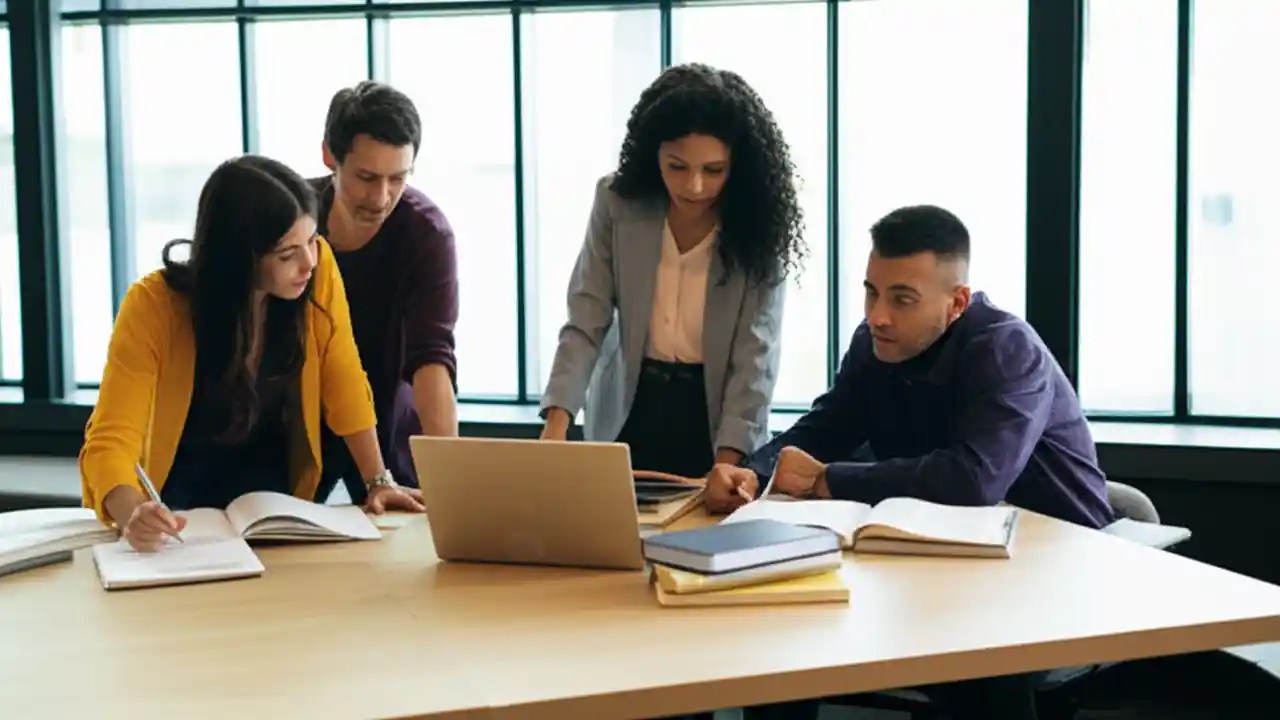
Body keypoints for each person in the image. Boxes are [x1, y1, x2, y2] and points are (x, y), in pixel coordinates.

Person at [705, 204, 1116, 720]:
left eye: (902, 299)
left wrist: (829, 481)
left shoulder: (1007, 349)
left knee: (979, 648)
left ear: (958, 302)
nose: (878, 315)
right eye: (872, 292)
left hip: (1052, 559)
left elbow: (974, 479)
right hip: (939, 555)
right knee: (784, 623)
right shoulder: (874, 342)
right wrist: (756, 471)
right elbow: (829, 425)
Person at [79, 155, 424, 552]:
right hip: (181, 512)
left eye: (311, 241)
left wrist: (378, 480)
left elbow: (343, 379)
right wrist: (133, 513)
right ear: (239, 258)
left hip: (275, 505)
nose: (309, 262)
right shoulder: (153, 305)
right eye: (286, 254)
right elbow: (112, 438)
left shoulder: (318, 269)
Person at [539, 62, 805, 480]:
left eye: (713, 170)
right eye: (676, 166)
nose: (694, 186)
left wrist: (728, 464)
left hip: (715, 416)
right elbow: (586, 318)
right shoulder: (617, 202)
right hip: (629, 408)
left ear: (738, 165)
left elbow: (756, 357)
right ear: (653, 155)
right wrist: (556, 425)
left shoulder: (759, 221)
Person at [310, 81, 460, 506]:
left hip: (389, 426)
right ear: (329, 156)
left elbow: (432, 359)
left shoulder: (426, 234)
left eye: (398, 178)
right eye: (366, 177)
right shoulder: (294, 217)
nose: (381, 197)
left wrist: (451, 478)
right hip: (294, 426)